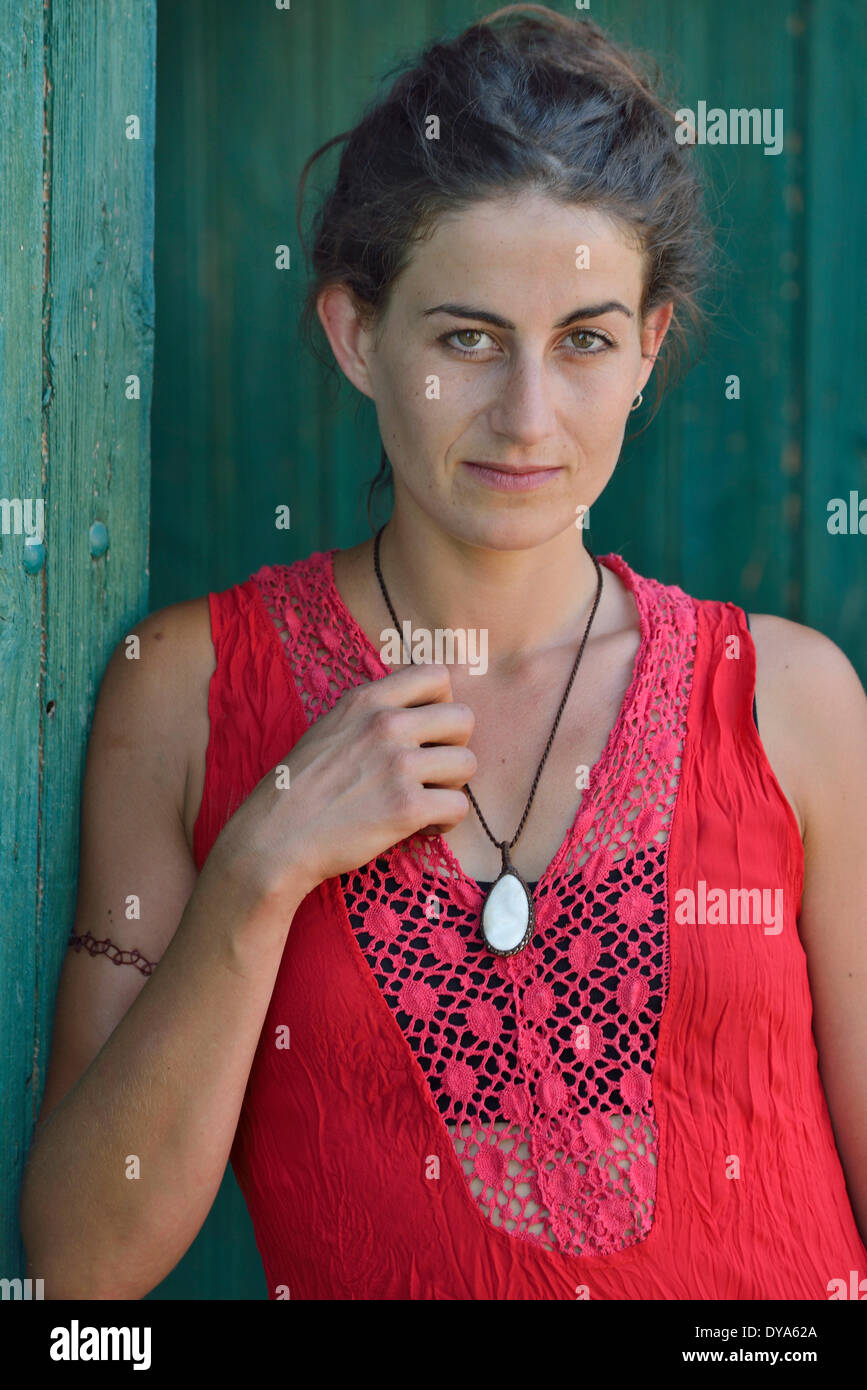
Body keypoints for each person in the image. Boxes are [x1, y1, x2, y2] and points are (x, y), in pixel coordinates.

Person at [20, 5, 867, 1300]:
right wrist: (260, 868)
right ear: (360, 334)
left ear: (646, 352)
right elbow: (80, 1260)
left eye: (585, 339)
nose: (528, 416)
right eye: (467, 338)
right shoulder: (187, 693)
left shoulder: (794, 704)